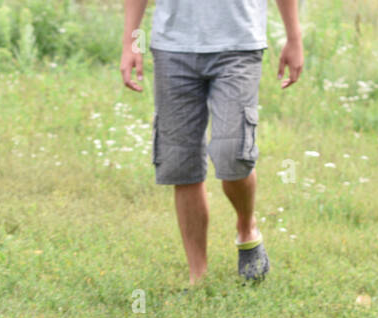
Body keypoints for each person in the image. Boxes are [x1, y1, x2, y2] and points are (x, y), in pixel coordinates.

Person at [121, 1, 303, 284]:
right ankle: (199, 277)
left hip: (239, 45)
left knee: (233, 154)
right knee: (181, 163)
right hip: (173, 47)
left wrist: (294, 38)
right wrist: (131, 41)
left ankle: (246, 226)